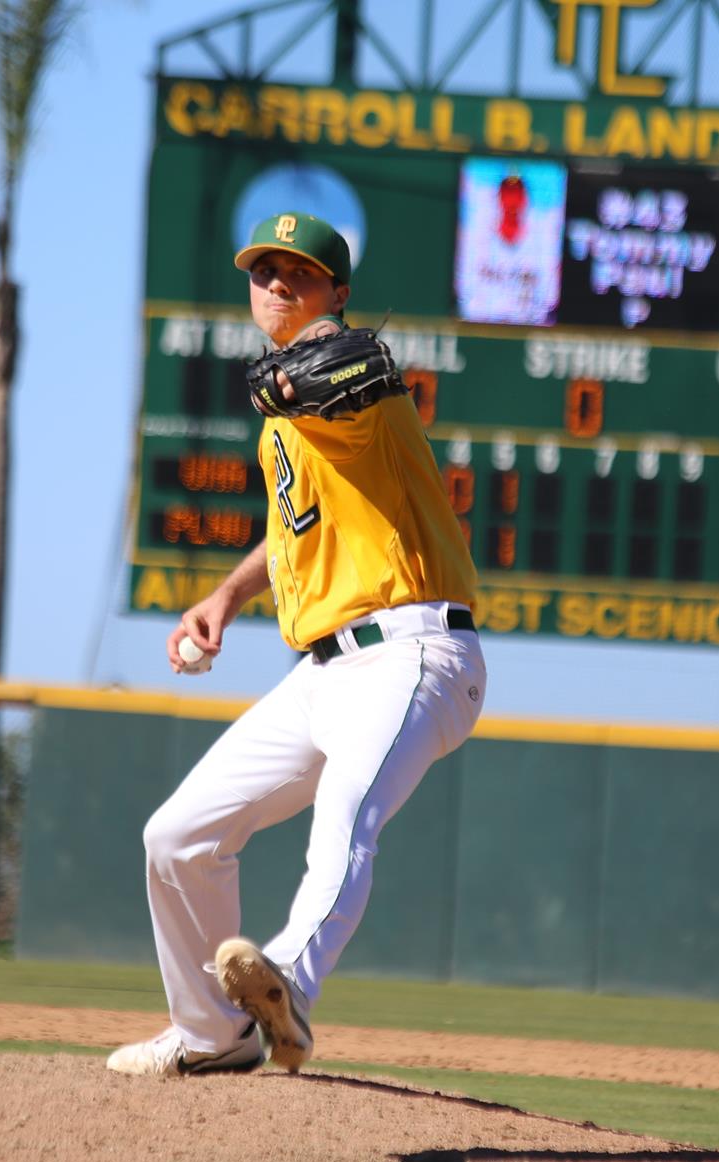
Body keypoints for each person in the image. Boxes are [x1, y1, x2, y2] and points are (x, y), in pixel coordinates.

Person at [107, 213, 487, 1077]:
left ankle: (291, 986)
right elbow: (295, 533)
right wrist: (227, 594)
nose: (277, 284)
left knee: (345, 817)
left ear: (337, 294)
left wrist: (332, 357)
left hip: (413, 653)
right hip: (322, 671)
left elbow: (353, 372)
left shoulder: (350, 394)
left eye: (300, 273)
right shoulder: (286, 416)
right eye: (265, 271)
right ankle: (214, 1034)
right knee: (176, 837)